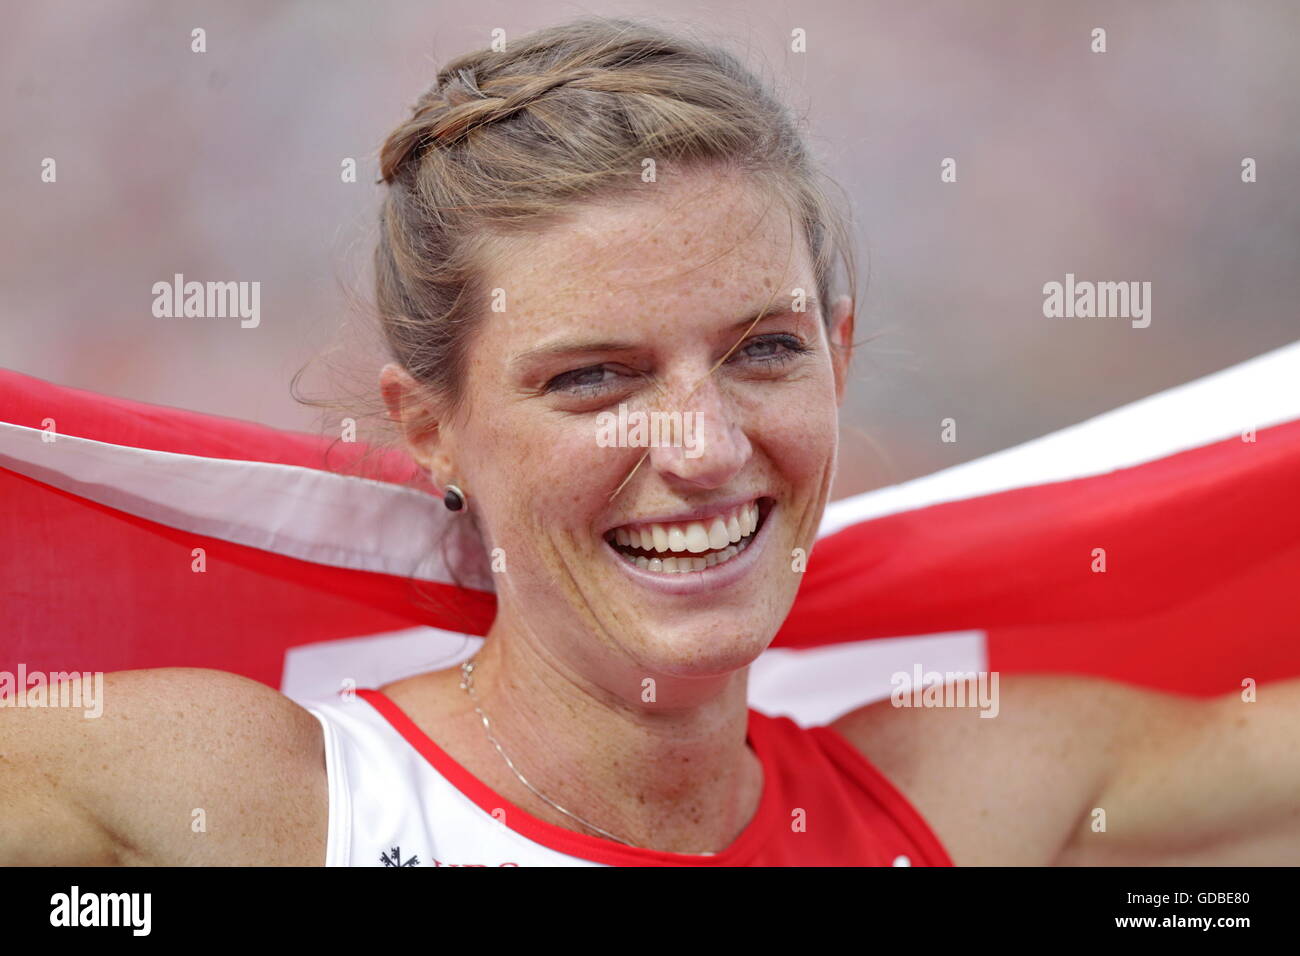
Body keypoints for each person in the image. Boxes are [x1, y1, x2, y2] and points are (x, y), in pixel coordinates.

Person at [3, 15, 1297, 867]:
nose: (703, 446)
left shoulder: (979, 793)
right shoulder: (237, 803)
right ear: (431, 431)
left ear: (839, 355)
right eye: (595, 377)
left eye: (763, 351)